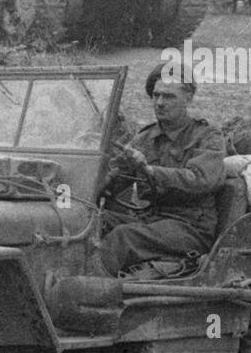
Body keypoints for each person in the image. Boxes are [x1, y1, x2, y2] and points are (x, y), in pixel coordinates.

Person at [98, 62, 229, 278]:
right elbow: (114, 178)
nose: (159, 103)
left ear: (188, 98)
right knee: (95, 221)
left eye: (168, 97)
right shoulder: (144, 139)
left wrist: (150, 170)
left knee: (124, 237)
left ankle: (92, 292)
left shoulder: (207, 136)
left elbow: (201, 180)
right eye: (156, 95)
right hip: (153, 220)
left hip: (191, 228)